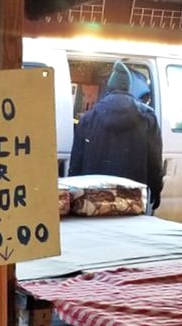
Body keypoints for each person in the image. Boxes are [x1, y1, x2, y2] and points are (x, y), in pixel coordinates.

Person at [69, 60, 164, 212]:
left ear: (109, 88)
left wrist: (73, 195)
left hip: (95, 202)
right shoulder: (147, 118)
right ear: (128, 88)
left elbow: (76, 163)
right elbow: (155, 163)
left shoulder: (88, 119)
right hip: (132, 200)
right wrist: (156, 190)